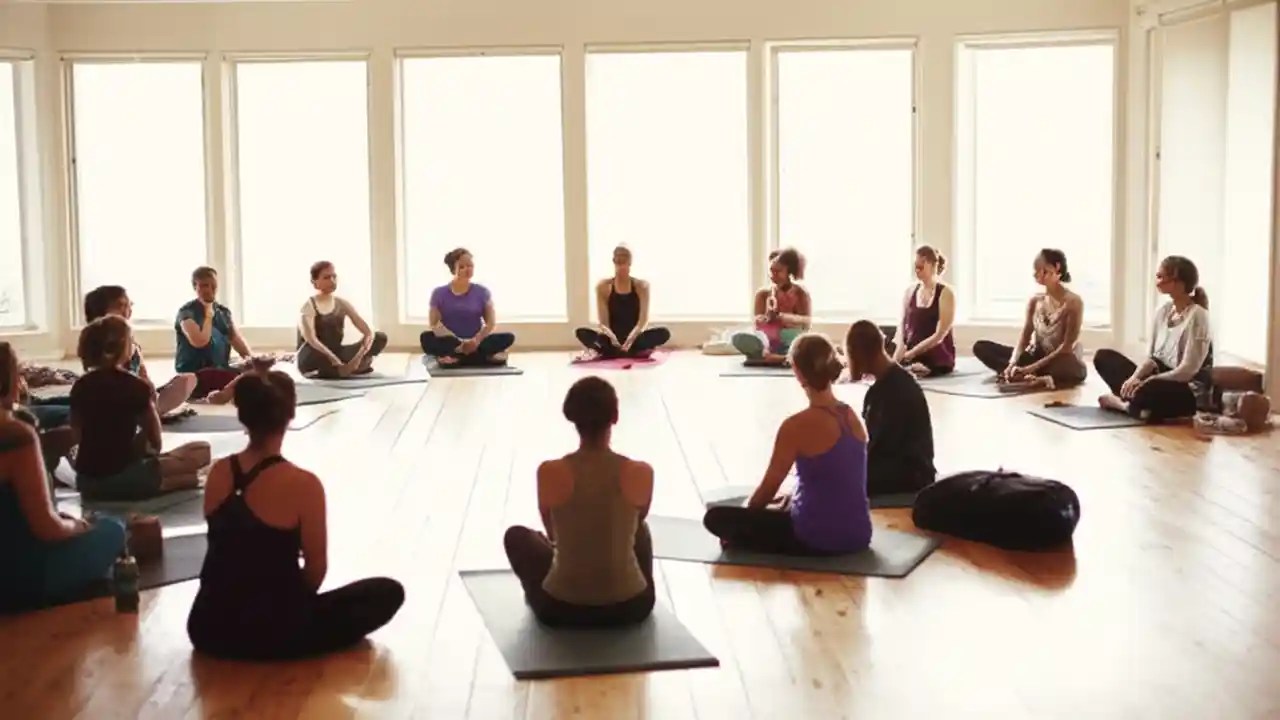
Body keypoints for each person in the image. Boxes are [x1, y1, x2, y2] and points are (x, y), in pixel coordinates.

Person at [187, 371, 405, 659]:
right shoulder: (304, 485)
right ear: (290, 415)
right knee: (387, 592)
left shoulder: (218, 473)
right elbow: (316, 569)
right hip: (274, 631)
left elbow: (227, 546)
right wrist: (289, 604)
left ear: (243, 416)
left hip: (208, 627)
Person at [503, 376, 656, 627]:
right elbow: (637, 523)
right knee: (640, 529)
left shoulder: (550, 471)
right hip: (631, 608)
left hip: (561, 609)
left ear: (571, 416)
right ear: (615, 417)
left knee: (517, 536)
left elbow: (554, 535)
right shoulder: (641, 472)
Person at [703, 333, 871, 554]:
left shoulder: (794, 426)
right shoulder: (851, 416)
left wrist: (747, 514)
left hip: (815, 537)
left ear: (798, 373)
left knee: (716, 518)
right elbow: (835, 479)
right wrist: (792, 498)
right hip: (860, 534)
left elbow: (765, 493)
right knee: (783, 501)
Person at [0, 341, 127, 612]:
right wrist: (78, 527)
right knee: (112, 528)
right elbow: (47, 528)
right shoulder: (14, 434)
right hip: (20, 580)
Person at [71, 316, 211, 501]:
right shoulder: (136, 386)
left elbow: (75, 436)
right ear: (123, 347)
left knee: (171, 464)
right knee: (202, 451)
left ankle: (166, 480)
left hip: (87, 482)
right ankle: (174, 482)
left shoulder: (80, 386)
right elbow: (155, 442)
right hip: (129, 476)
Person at [1094, 256, 1213, 422]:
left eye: (1161, 277)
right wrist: (1135, 378)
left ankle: (1122, 404)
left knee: (1150, 388)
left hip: (1185, 390)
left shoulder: (1198, 316)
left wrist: (1149, 381)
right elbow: (1152, 359)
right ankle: (1137, 401)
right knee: (1103, 357)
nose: (1157, 281)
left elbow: (1188, 371)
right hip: (1158, 379)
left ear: (1179, 283)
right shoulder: (1163, 311)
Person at [972, 249, 1088, 388]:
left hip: (1059, 359)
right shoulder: (1035, 301)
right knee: (981, 347)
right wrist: (1012, 363)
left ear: (1057, 268)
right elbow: (1024, 338)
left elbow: (1066, 347)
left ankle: (1032, 375)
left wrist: (1030, 368)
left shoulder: (1073, 302)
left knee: (1071, 367)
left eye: (1042, 270)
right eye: (1036, 270)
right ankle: (1026, 374)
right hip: (1036, 356)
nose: (1036, 274)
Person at [845, 321, 937, 496]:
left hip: (910, 476)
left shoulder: (893, 392)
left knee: (836, 477)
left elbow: (879, 449)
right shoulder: (891, 383)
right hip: (905, 466)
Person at [84, 285, 198, 416]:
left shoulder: (132, 343)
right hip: (111, 397)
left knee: (187, 380)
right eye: (120, 305)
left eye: (128, 305)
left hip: (136, 393)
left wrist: (152, 393)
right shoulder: (94, 340)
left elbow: (144, 376)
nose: (127, 310)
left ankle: (153, 409)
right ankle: (149, 412)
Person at [419, 248, 516, 366]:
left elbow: (490, 323)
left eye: (470, 265)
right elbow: (434, 324)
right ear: (453, 269)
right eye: (462, 267)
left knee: (509, 337)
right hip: (452, 341)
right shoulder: (439, 293)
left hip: (476, 341)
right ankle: (483, 358)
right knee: (426, 338)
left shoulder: (482, 292)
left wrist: (475, 341)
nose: (467, 269)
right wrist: (460, 343)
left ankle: (454, 358)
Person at [575, 245, 671, 359]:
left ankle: (621, 351)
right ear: (613, 260)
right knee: (582, 332)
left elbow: (642, 321)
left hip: (635, 338)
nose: (621, 261)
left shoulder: (642, 286)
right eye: (617, 257)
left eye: (624, 257)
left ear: (630, 261)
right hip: (612, 338)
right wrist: (612, 338)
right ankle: (619, 350)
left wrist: (631, 339)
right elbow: (603, 323)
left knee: (664, 333)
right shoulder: (603, 287)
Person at [296, 261, 387, 378]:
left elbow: (368, 332)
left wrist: (358, 356)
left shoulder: (341, 303)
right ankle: (342, 370)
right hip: (315, 354)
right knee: (319, 354)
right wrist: (333, 359)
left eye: (334, 276)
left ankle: (347, 369)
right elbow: (311, 340)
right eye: (326, 278)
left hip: (336, 352)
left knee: (379, 337)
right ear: (315, 282)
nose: (332, 281)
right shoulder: (308, 306)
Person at [175, 266, 256, 398]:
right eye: (205, 285)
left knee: (257, 374)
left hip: (220, 368)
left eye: (213, 285)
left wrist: (253, 361)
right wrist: (208, 314)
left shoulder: (223, 312)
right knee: (245, 383)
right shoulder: (186, 312)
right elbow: (200, 341)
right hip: (196, 372)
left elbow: (235, 338)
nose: (210, 290)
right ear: (195, 287)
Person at [731, 248, 812, 365]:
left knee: (806, 342)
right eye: (771, 271)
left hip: (790, 337)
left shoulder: (800, 293)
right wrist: (765, 319)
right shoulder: (763, 294)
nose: (773, 275)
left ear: (789, 272)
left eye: (778, 271)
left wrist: (783, 318)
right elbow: (757, 321)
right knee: (737, 338)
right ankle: (783, 357)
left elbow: (807, 321)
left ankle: (774, 357)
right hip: (767, 338)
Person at [884, 246, 956, 377]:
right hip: (909, 351)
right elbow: (902, 327)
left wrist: (912, 354)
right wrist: (899, 353)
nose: (917, 271)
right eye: (915, 267)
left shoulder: (946, 294)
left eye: (921, 267)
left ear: (933, 266)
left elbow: (940, 335)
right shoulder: (910, 291)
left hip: (934, 353)